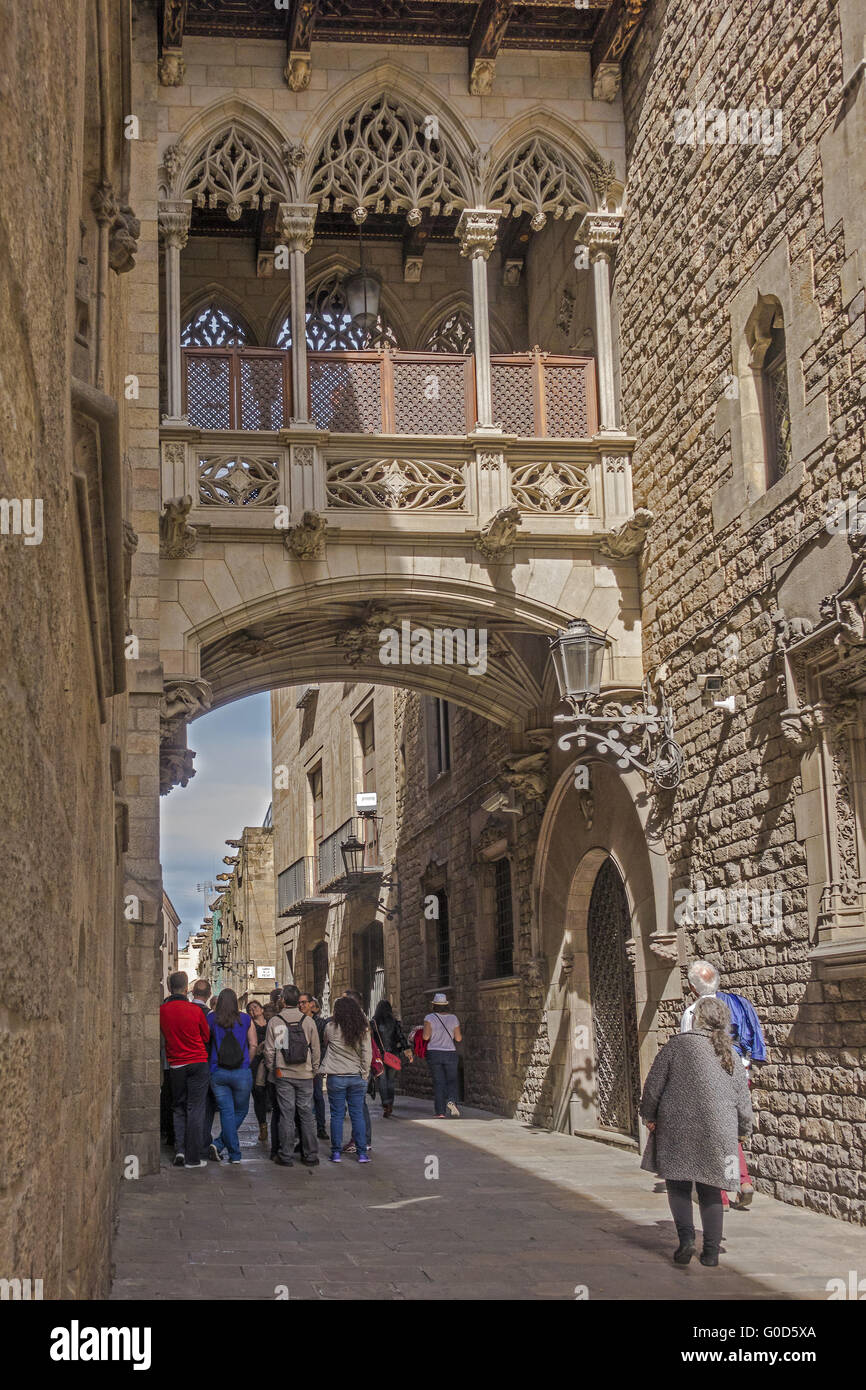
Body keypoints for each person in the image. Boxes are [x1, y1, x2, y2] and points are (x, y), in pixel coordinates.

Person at [640, 997, 753, 1267]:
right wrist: (743, 1129)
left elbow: (654, 1085)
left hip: (677, 1127)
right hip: (719, 1130)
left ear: (696, 1018)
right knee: (711, 1190)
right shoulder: (731, 1054)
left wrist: (649, 1115)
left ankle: (686, 1241)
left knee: (678, 1185)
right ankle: (711, 1252)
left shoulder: (677, 1045)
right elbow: (742, 1097)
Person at [681, 960, 766, 1208]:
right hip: (739, 1075)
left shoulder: (693, 1012)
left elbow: (690, 1050)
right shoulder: (737, 1004)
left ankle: (720, 1192)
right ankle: (742, 1180)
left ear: (692, 987)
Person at [264, 984, 321, 1168]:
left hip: (283, 1073)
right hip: (305, 1073)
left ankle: (286, 1155)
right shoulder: (308, 1021)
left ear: (282, 1000)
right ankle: (311, 1155)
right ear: (298, 1001)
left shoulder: (276, 1021)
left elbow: (270, 1050)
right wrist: (314, 1069)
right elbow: (316, 1049)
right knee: (306, 1114)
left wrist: (273, 1068)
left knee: (286, 1115)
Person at [159, 970, 211, 1169]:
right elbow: (205, 1036)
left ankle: (180, 1150)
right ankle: (193, 1157)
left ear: (170, 987)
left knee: (178, 1107)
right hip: (198, 1061)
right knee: (196, 1108)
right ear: (186, 987)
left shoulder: (162, 1011)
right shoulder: (196, 1010)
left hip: (176, 1064)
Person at [206, 988, 258, 1164]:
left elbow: (205, 1041)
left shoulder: (211, 1018)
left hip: (218, 1071)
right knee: (241, 1110)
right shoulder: (245, 1019)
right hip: (241, 1072)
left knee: (226, 1113)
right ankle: (230, 1151)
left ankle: (223, 1147)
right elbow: (253, 1045)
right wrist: (246, 1063)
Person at [320, 996, 372, 1163]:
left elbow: (325, 1043)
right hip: (356, 1076)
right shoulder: (362, 1029)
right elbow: (367, 1053)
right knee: (357, 1115)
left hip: (336, 1077)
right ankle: (362, 1153)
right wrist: (365, 1073)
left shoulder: (330, 1027)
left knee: (336, 1115)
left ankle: (336, 1153)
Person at [342, 988, 377, 1153]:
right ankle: (362, 1139)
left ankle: (361, 1140)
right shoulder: (358, 1018)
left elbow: (365, 1049)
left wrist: (364, 1071)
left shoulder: (358, 1020)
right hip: (358, 1069)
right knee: (359, 1106)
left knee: (359, 1107)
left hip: (358, 1070)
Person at [190, 977, 218, 1160]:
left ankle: (187, 1144)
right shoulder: (209, 1016)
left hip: (181, 1063)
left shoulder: (185, 1010)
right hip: (205, 1064)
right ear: (209, 995)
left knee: (189, 1106)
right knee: (206, 1107)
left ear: (192, 993)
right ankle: (203, 1143)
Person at [423, 992, 462, 1118]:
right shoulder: (453, 1018)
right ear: (446, 1005)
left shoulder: (429, 1018)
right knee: (452, 1080)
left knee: (439, 1082)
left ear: (434, 1005)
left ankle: (440, 1112)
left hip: (434, 1053)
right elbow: (458, 1038)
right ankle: (451, 1100)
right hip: (450, 1052)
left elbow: (426, 1036)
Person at [370, 999, 412, 1117]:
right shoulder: (394, 1022)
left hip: (379, 1055)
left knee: (382, 1080)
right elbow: (401, 1037)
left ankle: (385, 1103)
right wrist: (407, 1050)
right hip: (393, 1054)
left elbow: (370, 1041)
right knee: (391, 1080)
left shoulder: (373, 1022)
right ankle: (390, 1104)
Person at [300, 993, 329, 1141]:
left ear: (312, 1004)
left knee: (318, 1096)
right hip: (300, 1065)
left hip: (315, 1065)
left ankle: (321, 1127)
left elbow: (324, 1045)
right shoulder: (297, 1020)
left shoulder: (320, 1023)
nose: (302, 1005)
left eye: (305, 1002)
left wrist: (320, 1064)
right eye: (300, 1003)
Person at [248, 998, 270, 1143]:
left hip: (270, 1063)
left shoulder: (272, 1023)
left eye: (255, 1007)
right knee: (258, 1094)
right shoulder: (250, 1026)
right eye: (250, 1009)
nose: (253, 1010)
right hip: (256, 1063)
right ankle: (262, 1125)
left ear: (262, 1009)